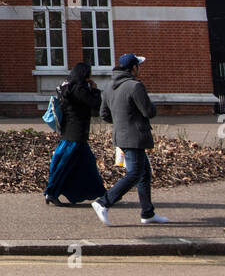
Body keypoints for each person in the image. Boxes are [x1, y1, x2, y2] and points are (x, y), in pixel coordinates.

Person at [92, 53, 168, 225]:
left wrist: (121, 122)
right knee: (134, 174)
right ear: (134, 68)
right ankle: (103, 202)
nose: (139, 69)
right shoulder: (135, 86)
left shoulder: (109, 86)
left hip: (121, 135)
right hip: (135, 136)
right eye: (138, 66)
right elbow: (148, 111)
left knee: (144, 174)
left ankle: (147, 213)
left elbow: (104, 114)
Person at [43, 61, 106, 206]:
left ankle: (102, 194)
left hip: (73, 133)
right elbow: (95, 105)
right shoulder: (79, 90)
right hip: (75, 134)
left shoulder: (68, 87)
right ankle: (51, 192)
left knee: (88, 165)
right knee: (64, 164)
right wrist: (95, 90)